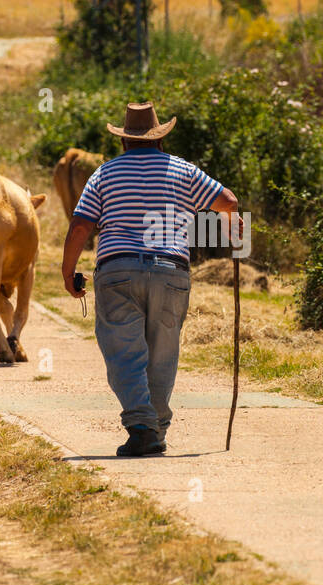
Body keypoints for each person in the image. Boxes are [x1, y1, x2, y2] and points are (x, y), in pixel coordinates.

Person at [61, 102, 239, 457]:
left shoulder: (105, 173)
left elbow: (81, 225)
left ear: (124, 142)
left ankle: (143, 427)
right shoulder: (183, 170)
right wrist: (232, 231)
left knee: (124, 351)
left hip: (117, 271)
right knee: (163, 353)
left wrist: (68, 272)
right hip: (170, 271)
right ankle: (153, 428)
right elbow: (229, 202)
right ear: (160, 140)